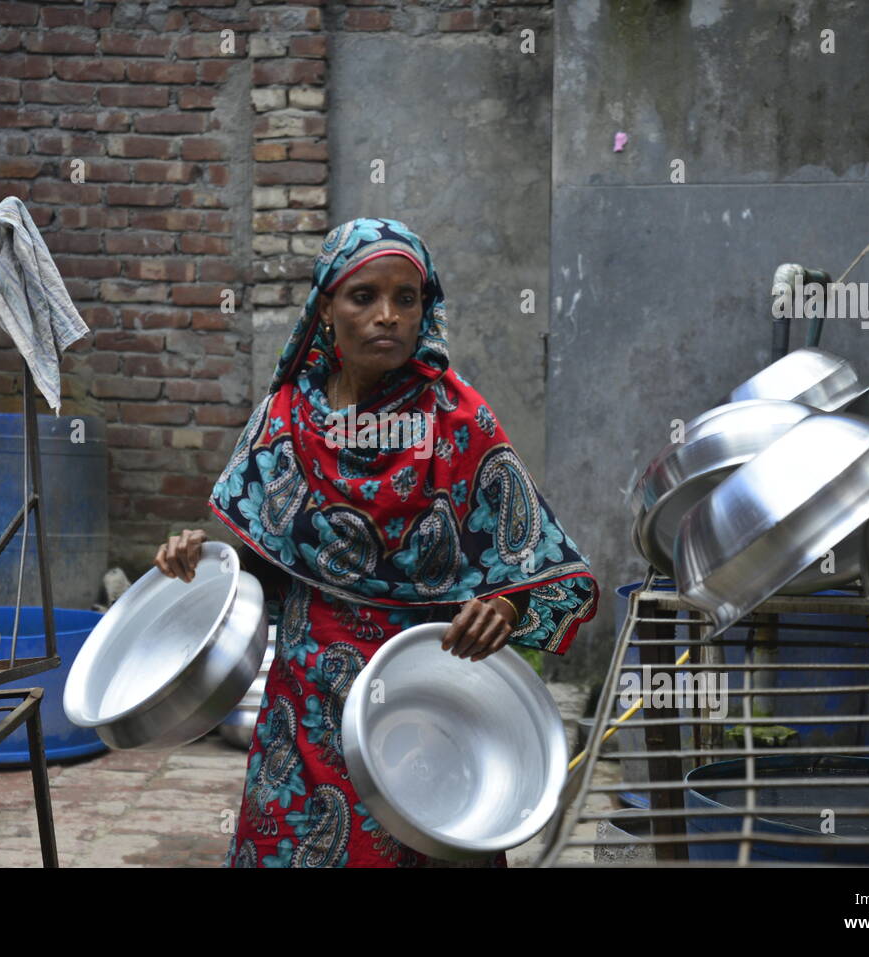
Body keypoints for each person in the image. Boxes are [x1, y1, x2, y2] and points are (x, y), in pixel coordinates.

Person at [154, 217, 598, 867]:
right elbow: (267, 564)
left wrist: (502, 608)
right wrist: (205, 560)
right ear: (326, 308)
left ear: (427, 309)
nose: (387, 315)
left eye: (406, 298)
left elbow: (555, 576)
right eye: (364, 297)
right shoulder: (285, 419)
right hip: (305, 716)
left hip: (431, 713)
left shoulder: (462, 423)